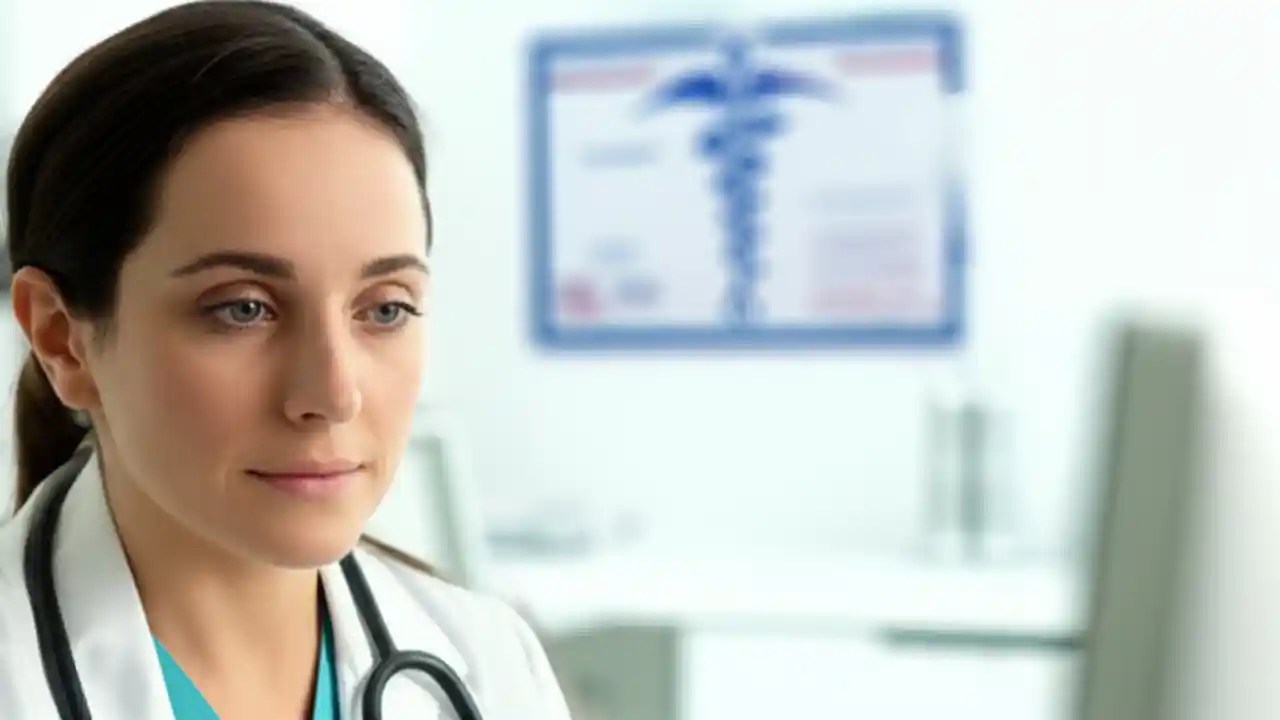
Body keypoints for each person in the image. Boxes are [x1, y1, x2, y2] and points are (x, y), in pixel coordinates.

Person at [0, 2, 572, 718]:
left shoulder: (488, 668)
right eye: (243, 308)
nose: (333, 394)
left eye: (384, 308)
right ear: (62, 338)